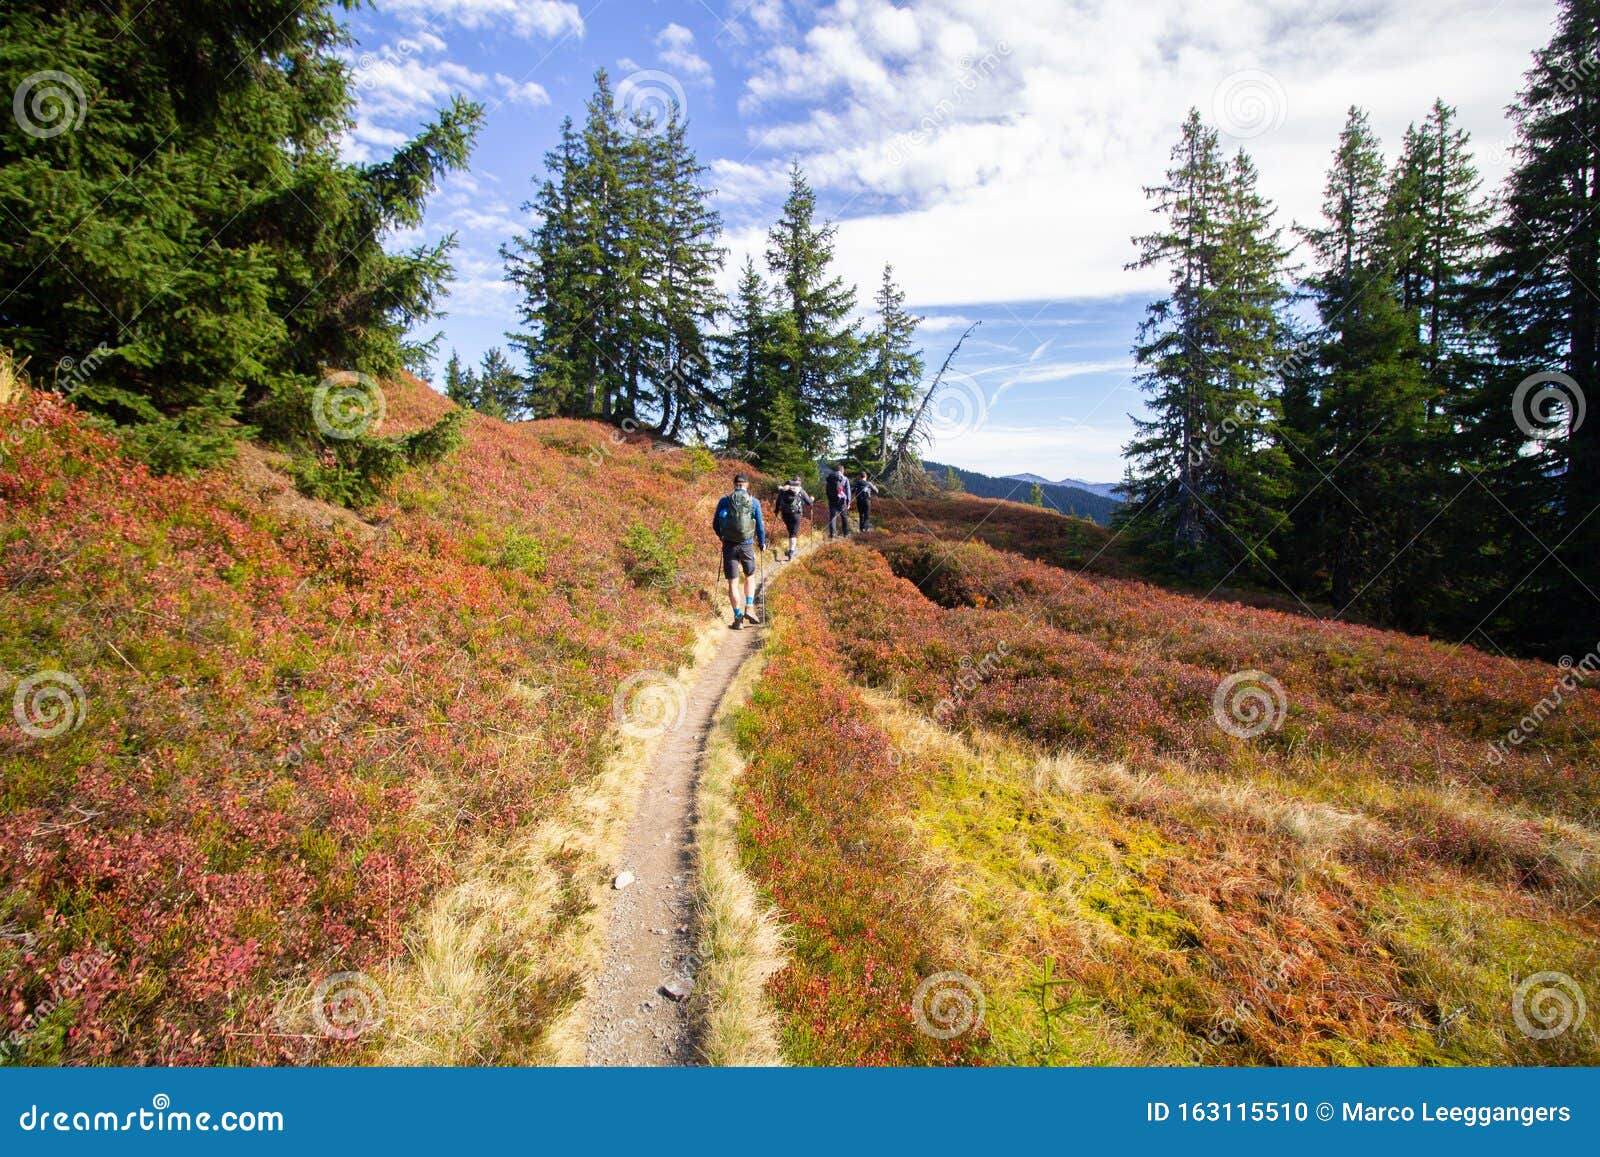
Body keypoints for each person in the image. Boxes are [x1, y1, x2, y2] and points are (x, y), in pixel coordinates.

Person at [711, 472, 766, 629]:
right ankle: (749, 607)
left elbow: (715, 523)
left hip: (729, 545)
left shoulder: (725, 500)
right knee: (750, 576)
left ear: (734, 485)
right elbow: (760, 526)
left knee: (733, 583)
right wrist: (762, 543)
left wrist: (722, 537)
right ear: (747, 485)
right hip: (747, 544)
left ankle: (737, 618)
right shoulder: (754, 501)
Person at [774, 475, 813, 561]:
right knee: (793, 533)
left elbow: (778, 501)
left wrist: (776, 511)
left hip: (785, 513)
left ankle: (790, 549)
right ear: (799, 482)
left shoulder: (784, 489)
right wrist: (812, 499)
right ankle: (791, 552)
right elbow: (809, 503)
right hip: (796, 514)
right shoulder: (800, 490)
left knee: (791, 531)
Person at [823, 463, 852, 539]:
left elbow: (827, 489)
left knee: (832, 517)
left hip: (832, 500)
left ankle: (832, 534)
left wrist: (829, 498)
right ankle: (845, 533)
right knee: (844, 516)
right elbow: (848, 491)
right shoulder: (845, 478)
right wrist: (848, 502)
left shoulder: (830, 478)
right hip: (842, 500)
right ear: (842, 470)